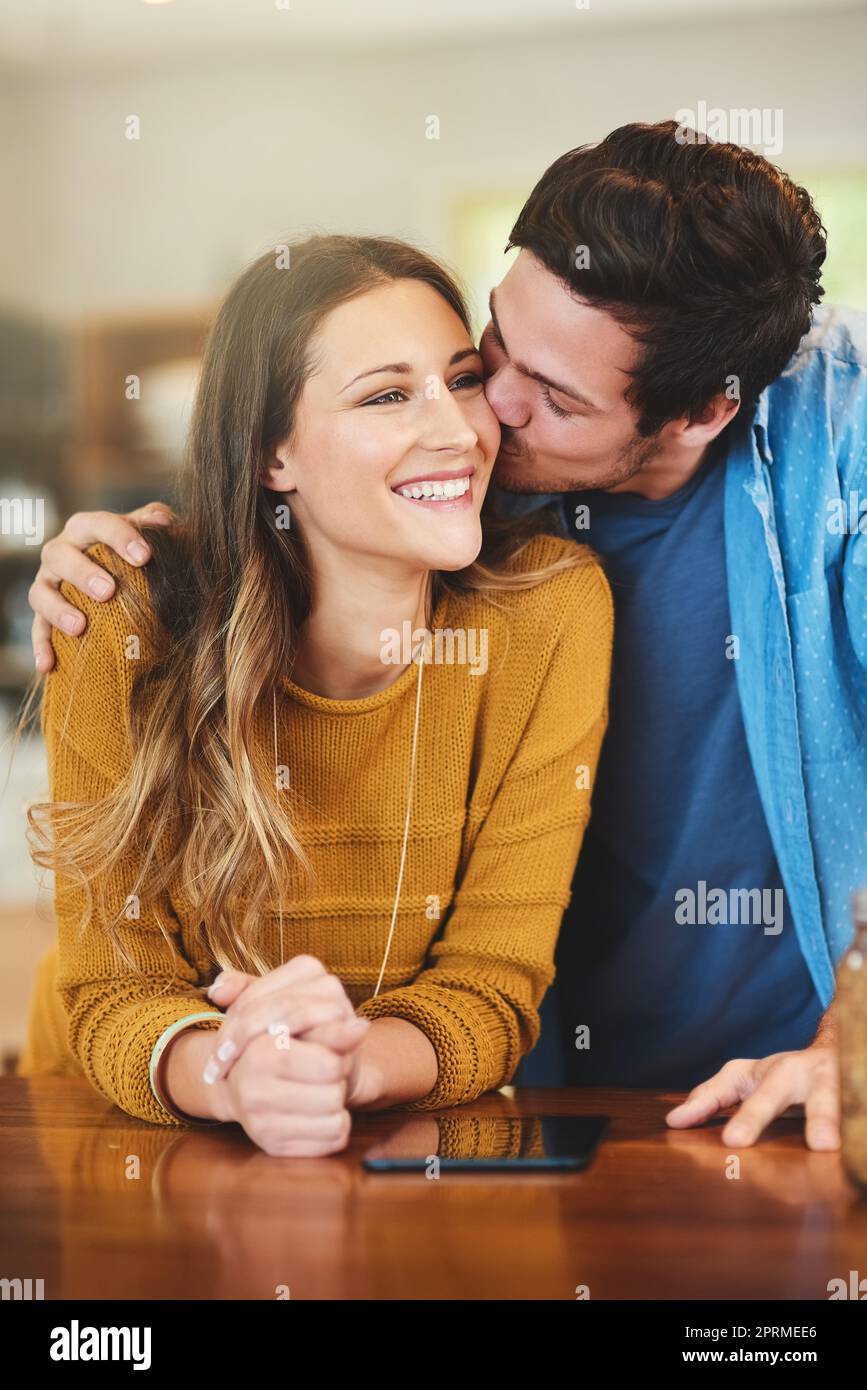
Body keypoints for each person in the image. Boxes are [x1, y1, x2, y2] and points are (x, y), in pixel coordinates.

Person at [29, 122, 867, 1152]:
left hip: (762, 1087)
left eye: (547, 397)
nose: (486, 421)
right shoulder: (160, 599)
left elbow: (485, 983)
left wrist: (855, 1044)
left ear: (698, 414)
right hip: (465, 1103)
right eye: (492, 353)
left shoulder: (821, 475)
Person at [17, 234, 613, 1157]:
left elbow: (490, 986)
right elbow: (113, 995)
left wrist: (342, 1067)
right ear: (269, 458)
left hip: (383, 1123)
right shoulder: (118, 615)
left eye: (460, 379)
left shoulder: (549, 611)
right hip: (122, 1131)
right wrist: (237, 1073)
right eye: (384, 395)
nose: (458, 432)